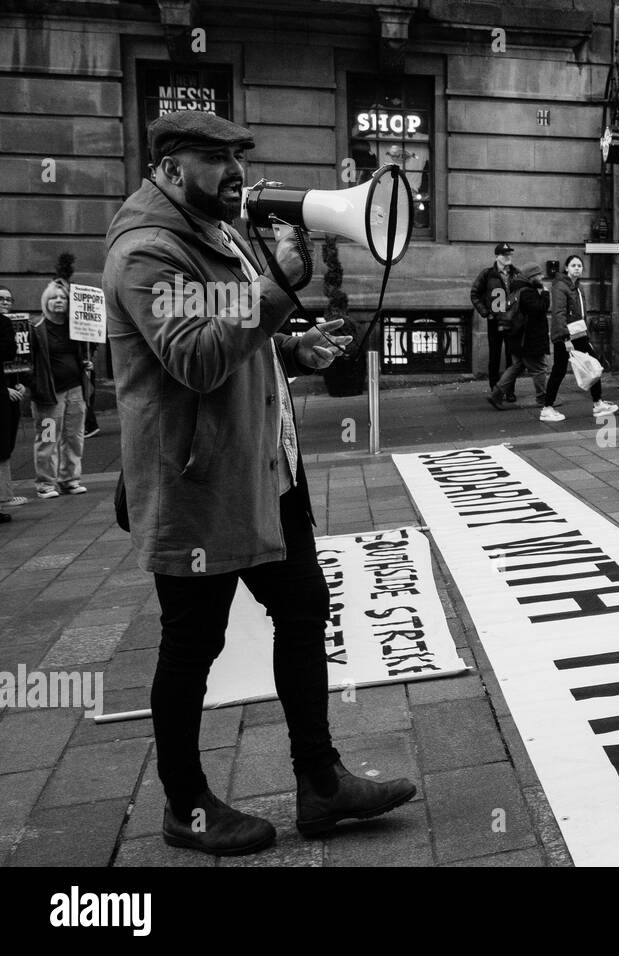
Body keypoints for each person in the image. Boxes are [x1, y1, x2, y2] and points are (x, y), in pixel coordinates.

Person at [104, 110, 415, 856]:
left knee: (305, 606)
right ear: (170, 168)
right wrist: (277, 286)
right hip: (197, 482)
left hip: (264, 468)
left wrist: (290, 344)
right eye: (215, 159)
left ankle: (321, 782)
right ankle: (187, 808)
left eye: (237, 156)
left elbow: (237, 329)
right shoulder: (148, 253)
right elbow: (199, 359)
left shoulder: (214, 231)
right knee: (193, 644)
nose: (235, 173)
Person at [29, 278, 91, 499]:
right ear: (46, 301)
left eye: (63, 297)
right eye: (53, 297)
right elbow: (27, 362)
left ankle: (70, 479)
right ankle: (45, 483)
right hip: (48, 395)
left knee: (74, 437)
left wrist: (86, 363)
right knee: (47, 439)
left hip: (75, 391)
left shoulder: (77, 326)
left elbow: (84, 352)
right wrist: (34, 385)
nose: (58, 301)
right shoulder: (36, 328)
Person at [543, 254, 617, 422]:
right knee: (559, 370)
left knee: (593, 363)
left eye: (579, 265)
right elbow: (559, 314)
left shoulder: (577, 286)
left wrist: (585, 335)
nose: (577, 268)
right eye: (573, 265)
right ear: (566, 268)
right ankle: (547, 408)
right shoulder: (561, 286)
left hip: (579, 333)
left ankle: (598, 403)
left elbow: (580, 314)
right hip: (566, 335)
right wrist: (565, 338)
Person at [488, 262, 550, 411]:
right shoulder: (527, 292)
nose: (542, 277)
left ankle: (496, 394)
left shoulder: (518, 290)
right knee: (540, 368)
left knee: (516, 366)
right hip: (528, 340)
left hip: (518, 338)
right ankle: (543, 399)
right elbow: (539, 309)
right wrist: (546, 294)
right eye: (539, 275)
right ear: (532, 276)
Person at [470, 242, 520, 399]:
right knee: (495, 356)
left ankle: (510, 390)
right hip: (495, 321)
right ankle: (495, 389)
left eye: (509, 254)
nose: (508, 257)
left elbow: (523, 294)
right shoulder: (487, 274)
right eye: (504, 254)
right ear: (497, 256)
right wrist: (486, 313)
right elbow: (475, 294)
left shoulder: (517, 274)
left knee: (512, 358)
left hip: (512, 322)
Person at [0, 285, 27, 514]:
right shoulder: (4, 325)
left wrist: (22, 382)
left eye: (9, 299)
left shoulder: (19, 325)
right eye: (1, 299)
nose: (5, 303)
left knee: (6, 443)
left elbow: (24, 359)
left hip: (13, 390)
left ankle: (5, 493)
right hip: (4, 393)